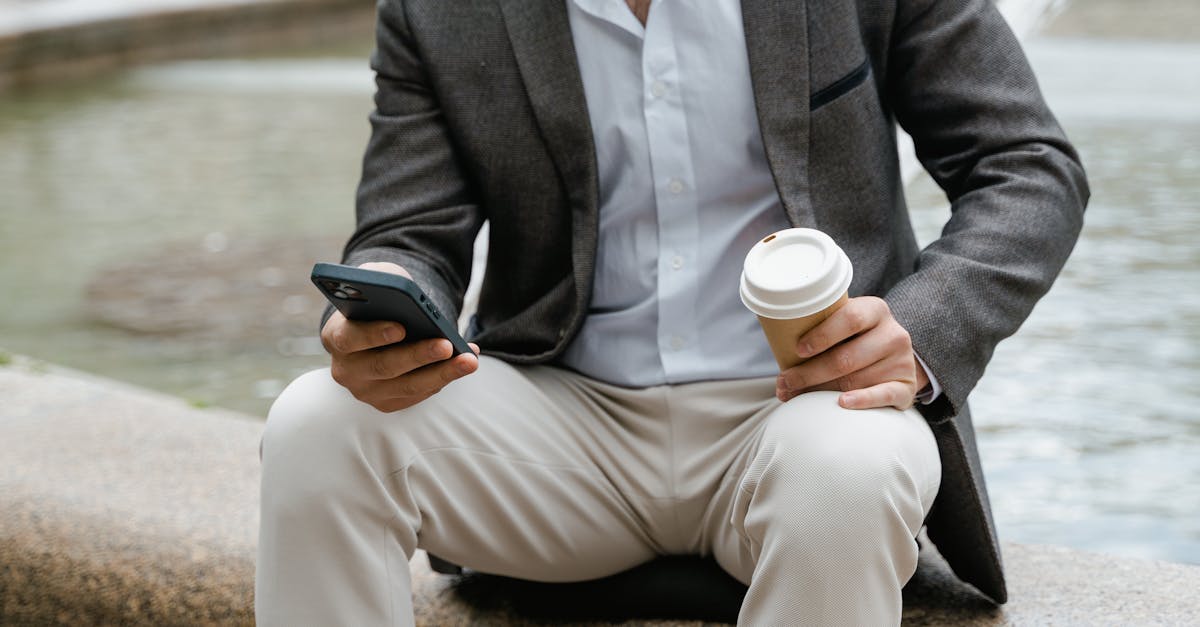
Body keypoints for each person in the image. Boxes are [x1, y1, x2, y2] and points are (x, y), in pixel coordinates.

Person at [256, 0, 1088, 624]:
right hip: (560, 428)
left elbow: (1027, 166)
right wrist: (383, 295)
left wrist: (922, 326)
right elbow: (408, 230)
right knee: (315, 425)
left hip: (804, 404)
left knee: (848, 471)